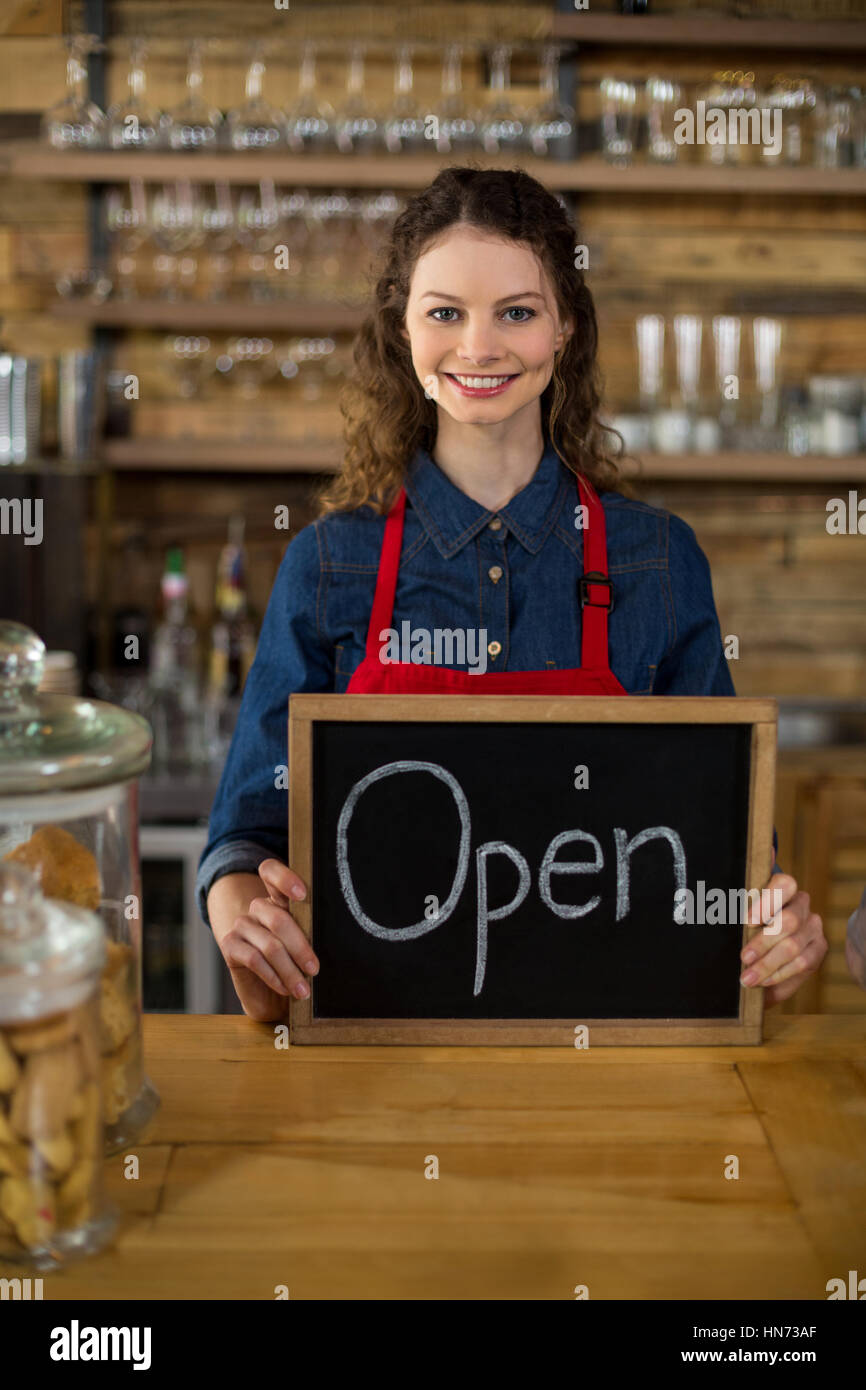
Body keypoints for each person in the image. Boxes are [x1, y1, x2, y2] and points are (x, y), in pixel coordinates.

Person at [196, 166, 827, 1022]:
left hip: (616, 1065)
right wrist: (239, 910)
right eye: (445, 312)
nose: (479, 347)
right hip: (376, 1067)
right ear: (404, 327)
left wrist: (775, 936)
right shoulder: (327, 565)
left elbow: (731, 867)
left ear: (565, 328)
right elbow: (247, 835)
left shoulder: (659, 560)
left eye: (517, 313)